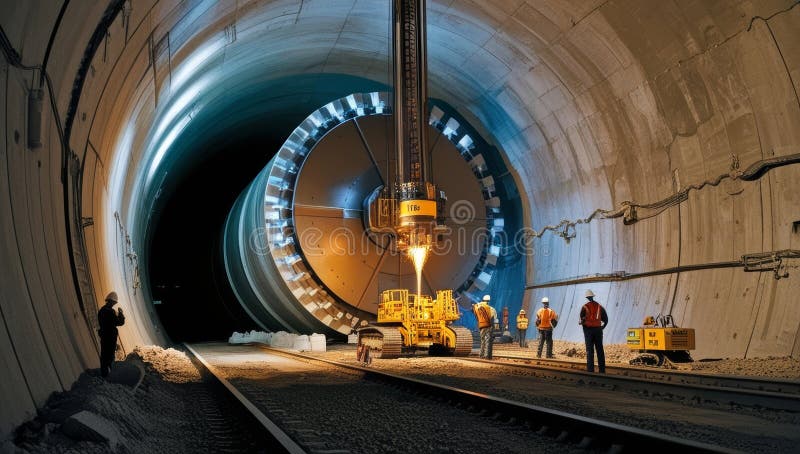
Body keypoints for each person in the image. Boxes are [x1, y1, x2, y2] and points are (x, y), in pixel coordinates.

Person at [579, 289, 608, 373]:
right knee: (600, 350)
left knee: (589, 350)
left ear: (587, 297)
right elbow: (606, 319)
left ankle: (590, 370)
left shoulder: (584, 307)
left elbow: (582, 320)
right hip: (598, 330)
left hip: (588, 331)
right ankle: (602, 370)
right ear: (592, 296)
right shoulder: (599, 306)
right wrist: (602, 328)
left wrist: (585, 329)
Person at [98, 291, 125, 377]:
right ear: (112, 302)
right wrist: (121, 313)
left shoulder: (102, 310)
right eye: (114, 302)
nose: (114, 304)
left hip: (104, 336)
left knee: (104, 355)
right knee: (110, 356)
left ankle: (104, 373)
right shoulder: (110, 312)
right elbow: (120, 322)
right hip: (110, 337)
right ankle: (108, 374)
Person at [472, 294, 497, 359]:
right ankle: (487, 355)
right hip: (488, 326)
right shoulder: (490, 309)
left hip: (481, 325)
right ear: (488, 301)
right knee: (488, 340)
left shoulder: (477, 307)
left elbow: (476, 316)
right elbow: (494, 318)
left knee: (482, 340)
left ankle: (481, 354)